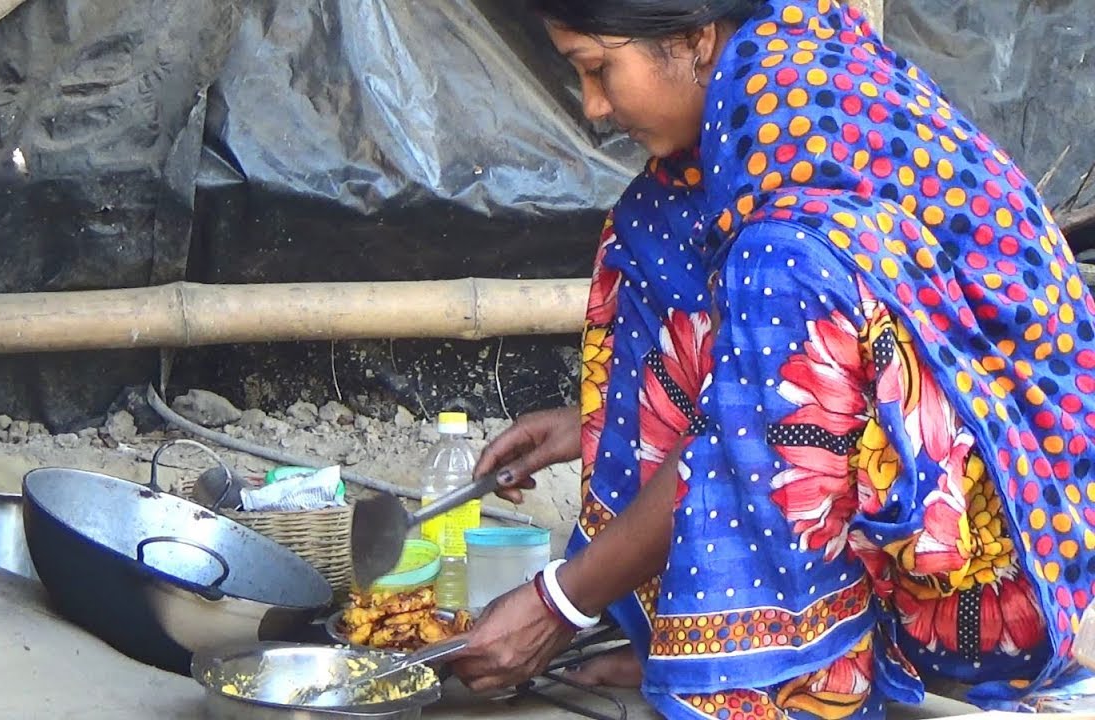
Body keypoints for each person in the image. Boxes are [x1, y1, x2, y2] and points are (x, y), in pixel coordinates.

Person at [447, 1, 1095, 717]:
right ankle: (700, 623)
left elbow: (753, 421)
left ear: (695, 38)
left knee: (776, 268)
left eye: (599, 69)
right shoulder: (766, 84)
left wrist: (559, 603)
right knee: (651, 229)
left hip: (1007, 552)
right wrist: (598, 420)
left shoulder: (795, 140)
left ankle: (779, 670)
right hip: (932, 446)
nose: (596, 108)